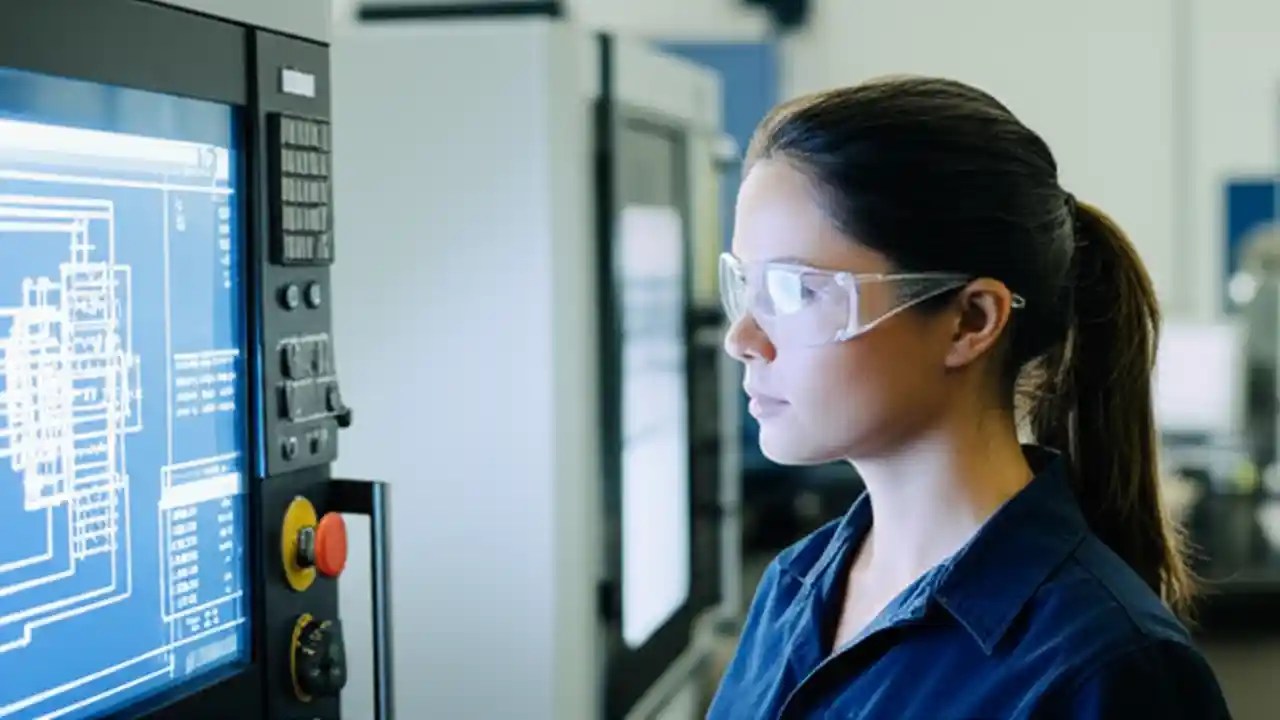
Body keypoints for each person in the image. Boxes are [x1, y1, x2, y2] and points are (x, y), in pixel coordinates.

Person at [709, 76, 1232, 719]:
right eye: (745, 285)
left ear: (970, 322)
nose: (742, 338)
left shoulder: (1104, 668)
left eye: (796, 291)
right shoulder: (794, 587)